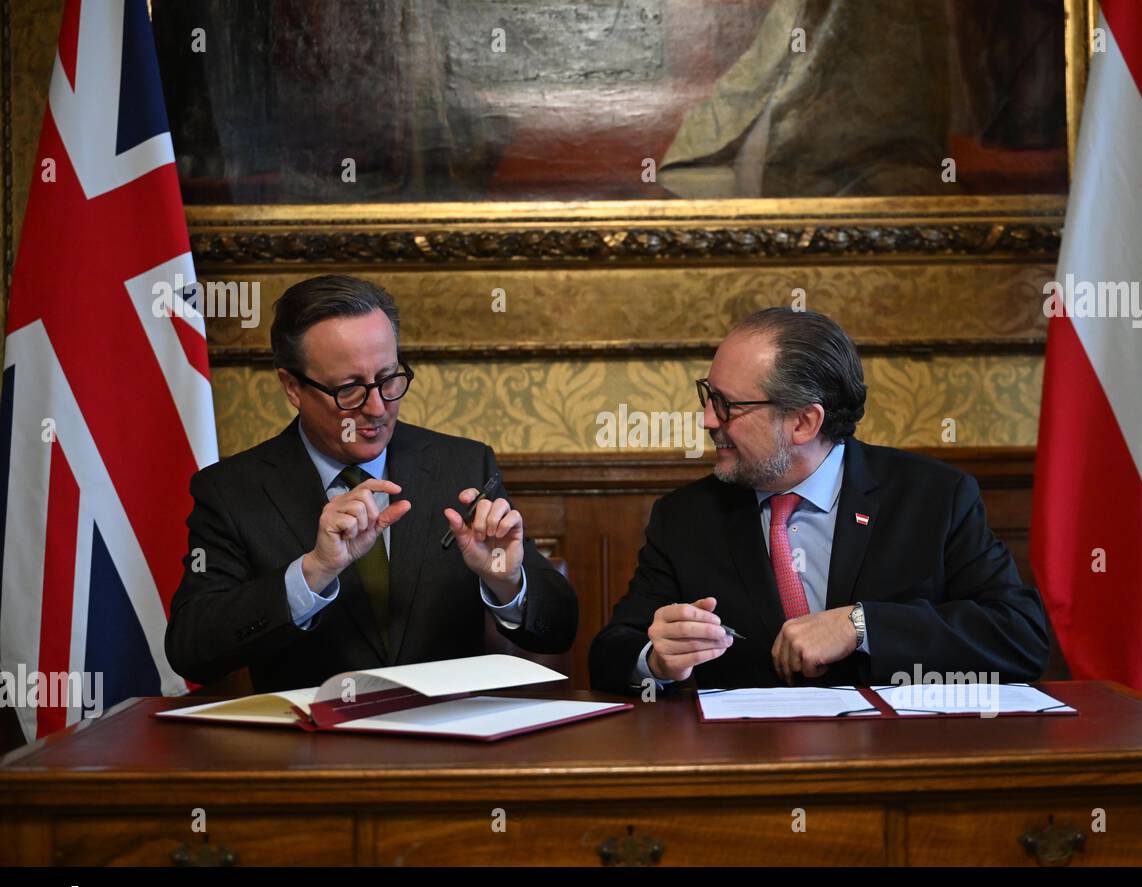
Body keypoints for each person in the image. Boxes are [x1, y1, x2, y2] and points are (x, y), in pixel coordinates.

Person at [588, 307, 1049, 692]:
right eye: (709, 396)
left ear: (804, 423)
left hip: (894, 756)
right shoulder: (686, 517)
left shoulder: (933, 497)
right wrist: (656, 660)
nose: (708, 419)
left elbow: (1020, 636)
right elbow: (610, 653)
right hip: (745, 762)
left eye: (728, 405)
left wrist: (861, 626)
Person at [166, 275, 577, 691]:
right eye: (349, 389)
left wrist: (506, 580)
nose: (377, 408)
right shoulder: (232, 490)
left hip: (449, 726)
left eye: (388, 378)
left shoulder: (463, 465)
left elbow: (558, 630)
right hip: (310, 730)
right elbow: (191, 651)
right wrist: (312, 573)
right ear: (292, 387)